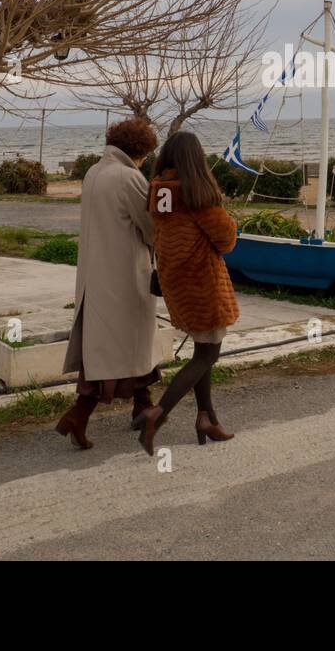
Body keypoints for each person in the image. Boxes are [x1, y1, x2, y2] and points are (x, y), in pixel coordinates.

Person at [56, 117, 161, 449]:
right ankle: (81, 413)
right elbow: (151, 227)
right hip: (125, 275)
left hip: (96, 276)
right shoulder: (129, 177)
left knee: (112, 348)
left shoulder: (93, 173)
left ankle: (142, 405)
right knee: (130, 344)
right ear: (139, 150)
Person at [136, 129, 240, 453]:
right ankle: (158, 414)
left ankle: (207, 419)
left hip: (177, 283)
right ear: (196, 160)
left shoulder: (159, 192)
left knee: (200, 350)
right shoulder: (198, 194)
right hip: (203, 284)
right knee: (208, 355)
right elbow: (226, 241)